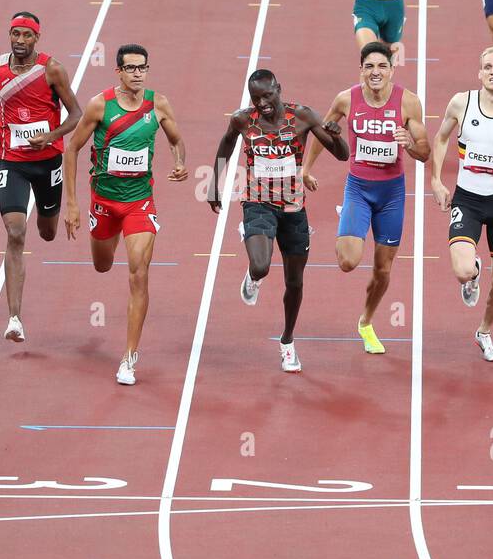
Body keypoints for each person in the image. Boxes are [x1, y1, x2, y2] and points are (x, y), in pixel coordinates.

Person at [63, 45, 187, 385]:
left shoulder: (157, 104)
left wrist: (179, 161)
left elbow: (176, 140)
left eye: (142, 68)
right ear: (118, 71)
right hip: (104, 201)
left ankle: (129, 357)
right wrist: (72, 203)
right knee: (102, 264)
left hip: (139, 203)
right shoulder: (100, 105)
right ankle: (109, 235)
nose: (137, 73)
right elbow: (72, 148)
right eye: (130, 68)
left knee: (138, 273)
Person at [210, 70, 348, 373]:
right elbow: (226, 144)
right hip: (258, 202)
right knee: (261, 265)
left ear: (278, 89)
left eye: (268, 95)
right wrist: (214, 186)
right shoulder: (243, 119)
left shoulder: (302, 116)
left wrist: (337, 137)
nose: (263, 103)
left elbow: (342, 155)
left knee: (295, 282)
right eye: (256, 98)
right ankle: (253, 271)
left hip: (293, 208)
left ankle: (287, 341)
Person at [0, 11, 82, 343]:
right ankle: (14, 317)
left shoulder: (51, 69)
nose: (20, 41)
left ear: (36, 38)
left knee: (46, 232)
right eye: (15, 34)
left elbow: (77, 114)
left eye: (26, 35)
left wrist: (50, 135)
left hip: (48, 163)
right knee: (15, 232)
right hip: (12, 162)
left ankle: (48, 216)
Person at [302, 41, 429, 354]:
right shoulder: (346, 99)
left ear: (391, 69)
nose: (376, 72)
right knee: (347, 261)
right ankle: (348, 215)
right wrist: (306, 168)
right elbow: (323, 131)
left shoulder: (408, 102)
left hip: (392, 194)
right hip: (358, 188)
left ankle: (366, 322)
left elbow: (425, 151)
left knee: (382, 271)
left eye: (382, 66)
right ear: (361, 70)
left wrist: (409, 143)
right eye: (369, 66)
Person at [429, 46, 493, 362]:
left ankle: (484, 333)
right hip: (468, 199)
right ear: (479, 73)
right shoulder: (462, 103)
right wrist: (436, 180)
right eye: (487, 66)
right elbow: (442, 137)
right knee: (462, 269)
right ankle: (474, 274)